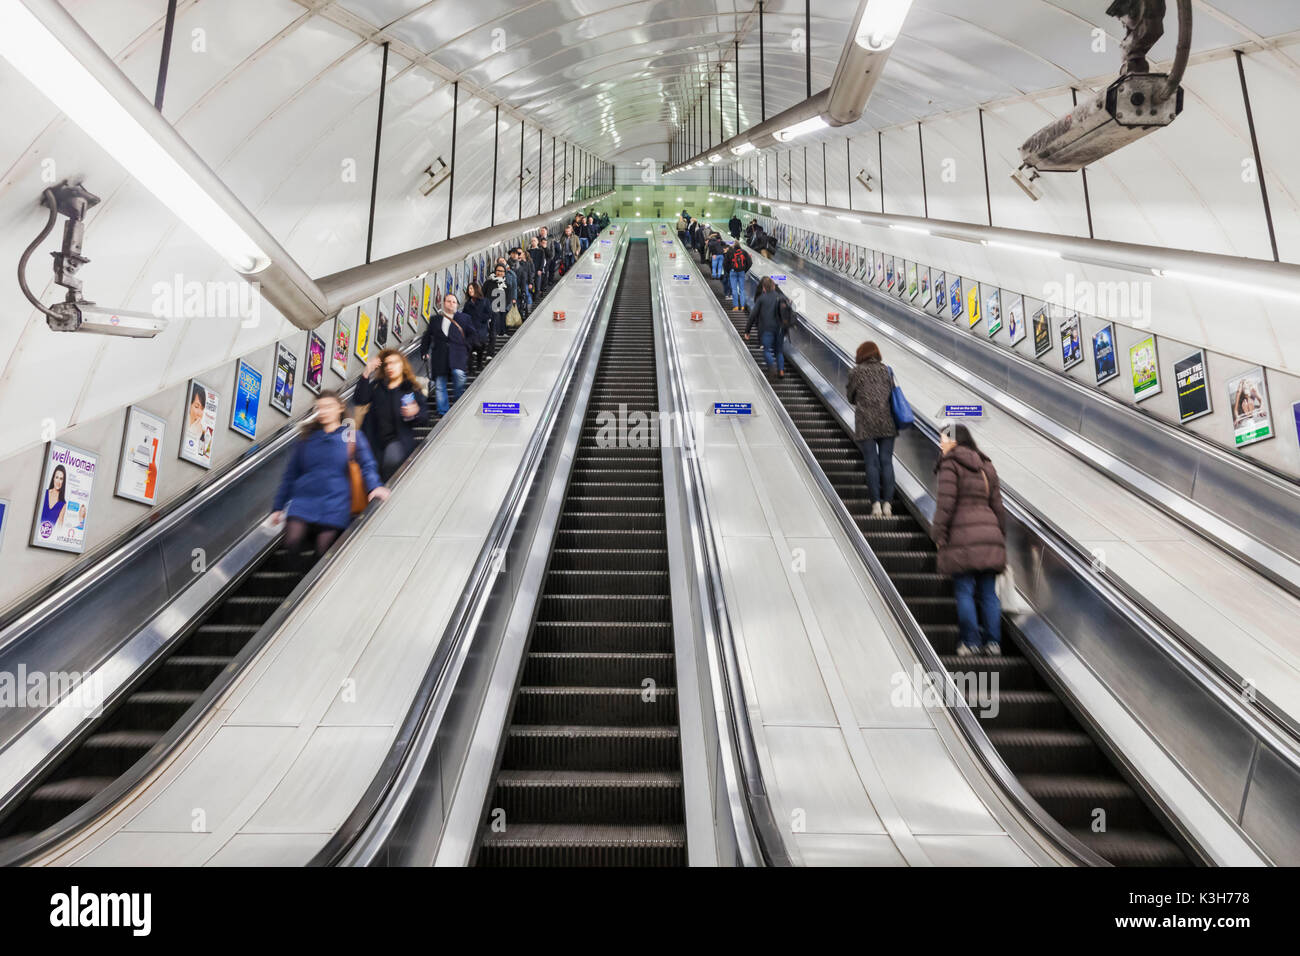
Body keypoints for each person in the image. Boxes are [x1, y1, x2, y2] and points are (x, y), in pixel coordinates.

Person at [271, 390, 388, 563]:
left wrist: (374, 486)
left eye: (328, 407)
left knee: (323, 552)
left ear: (340, 408)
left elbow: (367, 464)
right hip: (304, 501)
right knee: (291, 543)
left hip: (336, 503)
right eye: (320, 408)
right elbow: (290, 474)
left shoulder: (351, 436)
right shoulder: (306, 439)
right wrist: (278, 506)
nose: (324, 411)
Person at [931, 424, 1008, 657]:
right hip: (990, 537)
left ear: (955, 441)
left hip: (962, 538)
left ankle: (971, 642)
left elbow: (946, 505)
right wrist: (999, 538)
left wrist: (938, 535)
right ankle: (993, 643)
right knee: (988, 594)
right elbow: (998, 507)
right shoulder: (987, 466)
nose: (941, 444)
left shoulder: (950, 465)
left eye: (944, 439)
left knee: (964, 591)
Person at [356, 348, 430, 480]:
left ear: (402, 365)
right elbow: (360, 399)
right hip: (374, 444)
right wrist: (367, 372)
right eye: (387, 364)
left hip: (398, 444)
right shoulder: (377, 386)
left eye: (394, 362)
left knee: (391, 462)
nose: (390, 367)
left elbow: (424, 417)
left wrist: (416, 412)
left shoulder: (410, 389)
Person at [846, 341, 898, 518]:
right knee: (886, 462)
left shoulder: (856, 372)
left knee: (871, 462)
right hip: (887, 422)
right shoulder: (886, 370)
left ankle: (875, 504)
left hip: (866, 422)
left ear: (861, 355)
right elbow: (893, 393)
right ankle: (888, 505)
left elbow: (850, 397)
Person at [421, 292, 472, 415]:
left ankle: (458, 403)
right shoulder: (435, 320)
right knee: (439, 385)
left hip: (458, 355)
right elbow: (427, 337)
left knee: (459, 375)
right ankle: (443, 412)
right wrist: (424, 352)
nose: (451, 304)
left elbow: (472, 334)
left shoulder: (464, 318)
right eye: (449, 301)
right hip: (440, 356)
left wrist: (466, 347)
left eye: (454, 302)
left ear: (457, 305)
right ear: (443, 303)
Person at [744, 276, 786, 381]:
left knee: (767, 350)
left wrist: (747, 330)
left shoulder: (762, 298)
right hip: (780, 329)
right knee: (779, 351)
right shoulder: (781, 297)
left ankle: (772, 367)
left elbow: (753, 315)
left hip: (767, 329)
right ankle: (781, 370)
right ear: (773, 286)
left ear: (764, 288)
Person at [463, 281, 493, 370]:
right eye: (469, 289)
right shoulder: (467, 304)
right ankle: (470, 369)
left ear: (476, 289)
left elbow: (489, 314)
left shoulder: (485, 301)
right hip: (470, 331)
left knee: (480, 349)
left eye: (471, 288)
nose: (470, 290)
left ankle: (479, 365)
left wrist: (481, 319)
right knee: (469, 350)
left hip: (481, 330)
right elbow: (464, 316)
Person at [726, 242, 752, 311]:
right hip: (741, 272)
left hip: (733, 272)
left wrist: (729, 270)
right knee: (742, 290)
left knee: (734, 289)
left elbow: (725, 263)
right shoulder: (744, 252)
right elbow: (750, 262)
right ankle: (743, 306)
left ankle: (736, 307)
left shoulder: (730, 252)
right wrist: (744, 270)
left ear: (733, 246)